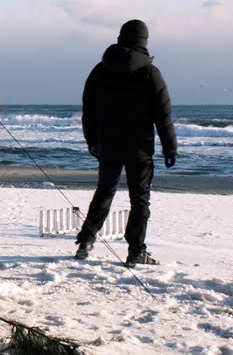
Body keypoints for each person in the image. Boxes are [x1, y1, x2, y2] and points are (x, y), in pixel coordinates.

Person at [75, 19, 177, 266]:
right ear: (144, 42)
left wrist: (92, 140)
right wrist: (169, 146)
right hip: (139, 147)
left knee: (104, 192)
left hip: (108, 144)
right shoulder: (150, 73)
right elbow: (163, 114)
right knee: (140, 198)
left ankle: (86, 241)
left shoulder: (101, 70)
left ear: (120, 37)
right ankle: (135, 251)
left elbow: (88, 109)